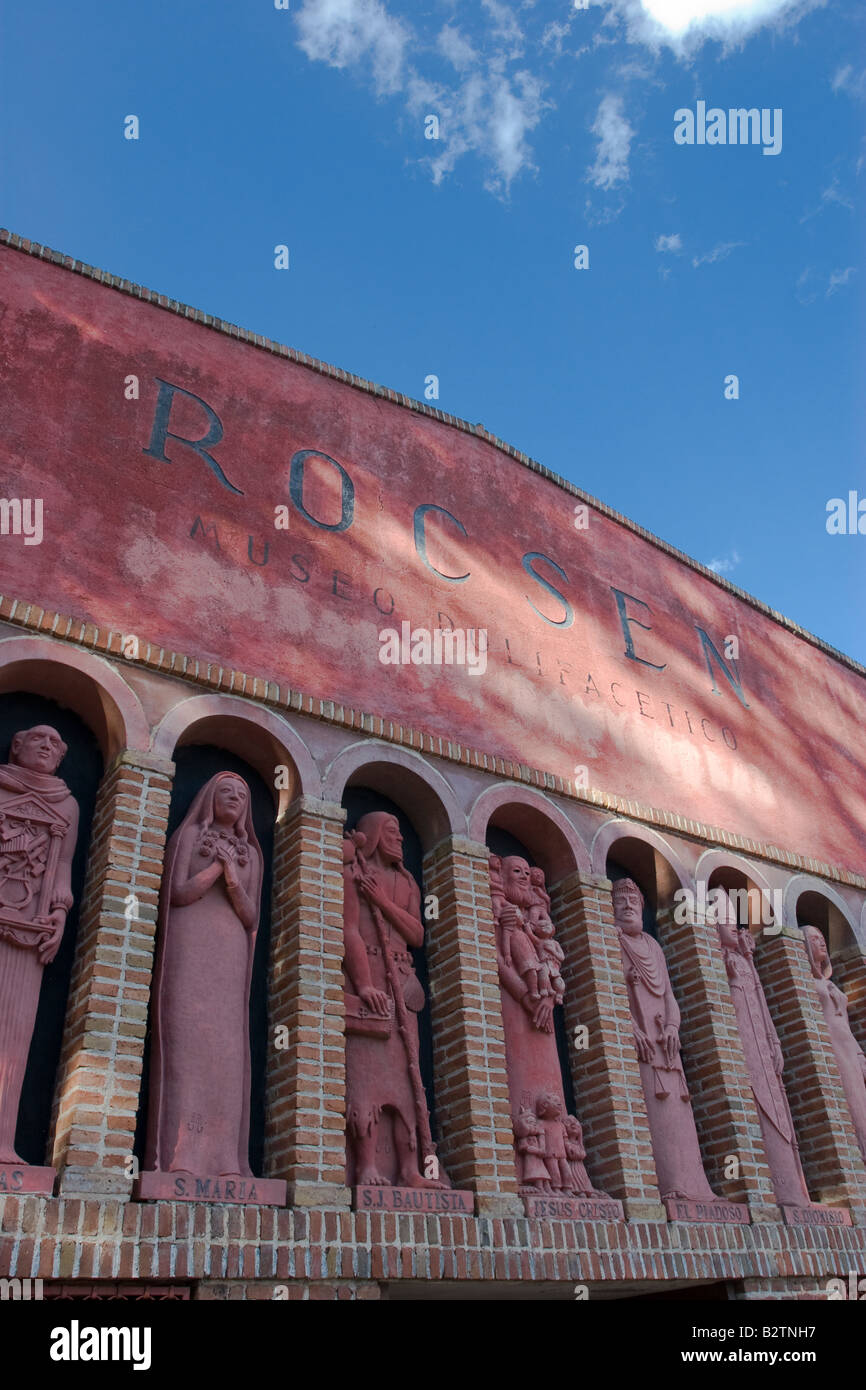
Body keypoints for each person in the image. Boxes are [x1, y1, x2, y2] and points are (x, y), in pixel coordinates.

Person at [145, 773, 262, 1176]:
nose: (233, 798)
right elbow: (175, 894)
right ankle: (182, 1153)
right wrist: (216, 869)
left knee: (226, 1052)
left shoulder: (251, 853)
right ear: (209, 797)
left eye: (241, 794)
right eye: (226, 791)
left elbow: (251, 917)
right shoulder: (191, 836)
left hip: (230, 954)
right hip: (190, 946)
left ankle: (224, 1156)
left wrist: (233, 877)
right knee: (186, 1042)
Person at [343, 811, 443, 1188]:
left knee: (407, 1078)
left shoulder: (405, 882)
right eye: (391, 833)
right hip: (367, 976)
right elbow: (349, 932)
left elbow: (416, 934)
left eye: (402, 833)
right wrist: (364, 985)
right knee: (366, 1076)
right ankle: (366, 1166)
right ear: (370, 836)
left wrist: (382, 901)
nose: (400, 839)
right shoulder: (353, 874)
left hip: (402, 981)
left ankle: (409, 1169)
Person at [613, 877, 719, 1203]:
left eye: (634, 898)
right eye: (621, 899)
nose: (628, 904)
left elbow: (669, 995)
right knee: (656, 1111)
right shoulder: (613, 940)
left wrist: (673, 1026)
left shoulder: (653, 945)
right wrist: (631, 1027)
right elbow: (611, 986)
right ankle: (670, 1184)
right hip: (644, 1047)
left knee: (682, 1114)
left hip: (667, 1045)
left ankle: (697, 1186)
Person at [0, 726, 78, 1163]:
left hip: (28, 938)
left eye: (55, 743)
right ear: (17, 745)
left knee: (13, 1034)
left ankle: (2, 1142)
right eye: (38, 740)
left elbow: (63, 865)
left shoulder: (66, 803)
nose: (48, 746)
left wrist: (61, 915)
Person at [804, 925, 866, 1163]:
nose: (821, 942)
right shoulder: (808, 983)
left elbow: (846, 1024)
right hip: (833, 1048)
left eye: (822, 938)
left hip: (849, 1048)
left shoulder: (830, 983)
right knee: (855, 1108)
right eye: (814, 939)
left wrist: (859, 1054)